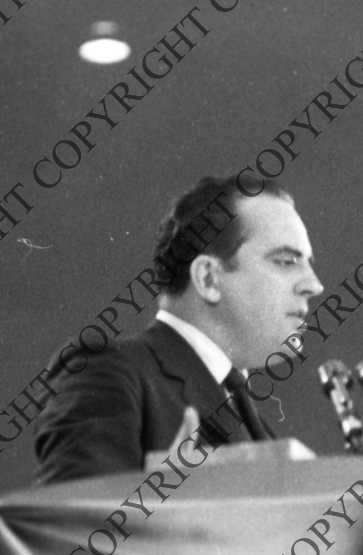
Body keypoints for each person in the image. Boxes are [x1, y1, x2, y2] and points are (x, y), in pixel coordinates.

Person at [33, 175, 324, 484]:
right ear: (208, 279)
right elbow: (73, 524)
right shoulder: (101, 373)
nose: (314, 285)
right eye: (285, 261)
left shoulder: (251, 420)